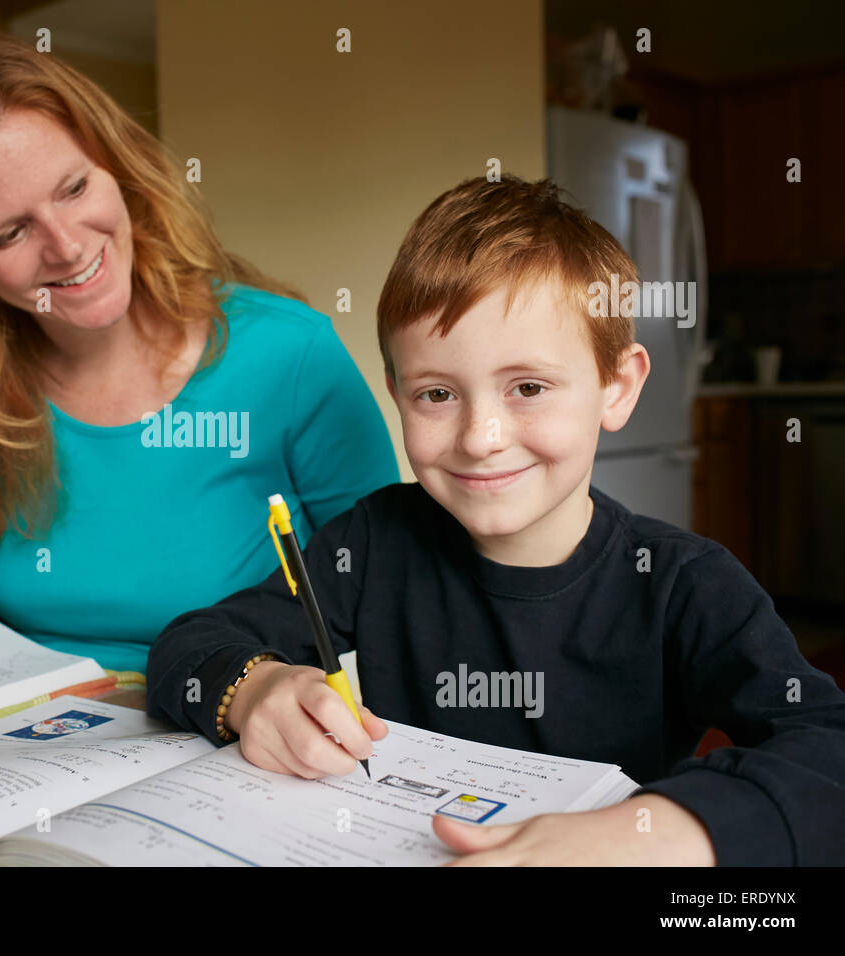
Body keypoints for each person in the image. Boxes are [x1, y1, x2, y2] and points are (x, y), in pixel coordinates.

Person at [146, 174, 845, 865]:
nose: (481, 436)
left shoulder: (686, 585)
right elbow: (190, 642)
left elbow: (827, 750)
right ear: (396, 393)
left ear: (618, 385)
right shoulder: (371, 543)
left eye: (529, 387)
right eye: (437, 393)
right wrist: (253, 689)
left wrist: (663, 830)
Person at [0, 31, 399, 674]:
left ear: (114, 166)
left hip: (238, 734)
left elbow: (388, 596)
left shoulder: (291, 357)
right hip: (27, 739)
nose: (67, 247)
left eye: (73, 188)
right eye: (10, 232)